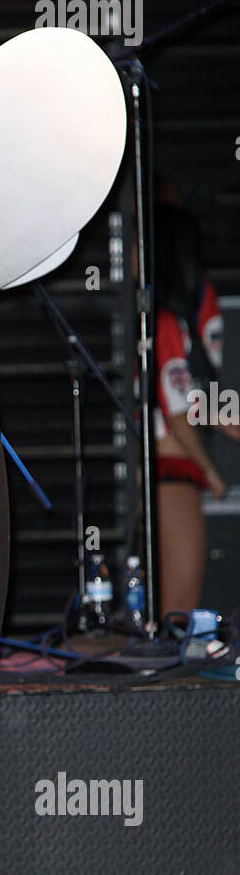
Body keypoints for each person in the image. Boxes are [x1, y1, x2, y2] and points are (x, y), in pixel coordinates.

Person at [151, 200, 240, 616]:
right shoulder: (166, 322)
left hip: (170, 470)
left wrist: (222, 417)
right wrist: (210, 470)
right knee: (178, 609)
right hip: (171, 471)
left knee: (177, 606)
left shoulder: (167, 323)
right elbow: (172, 410)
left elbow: (179, 397)